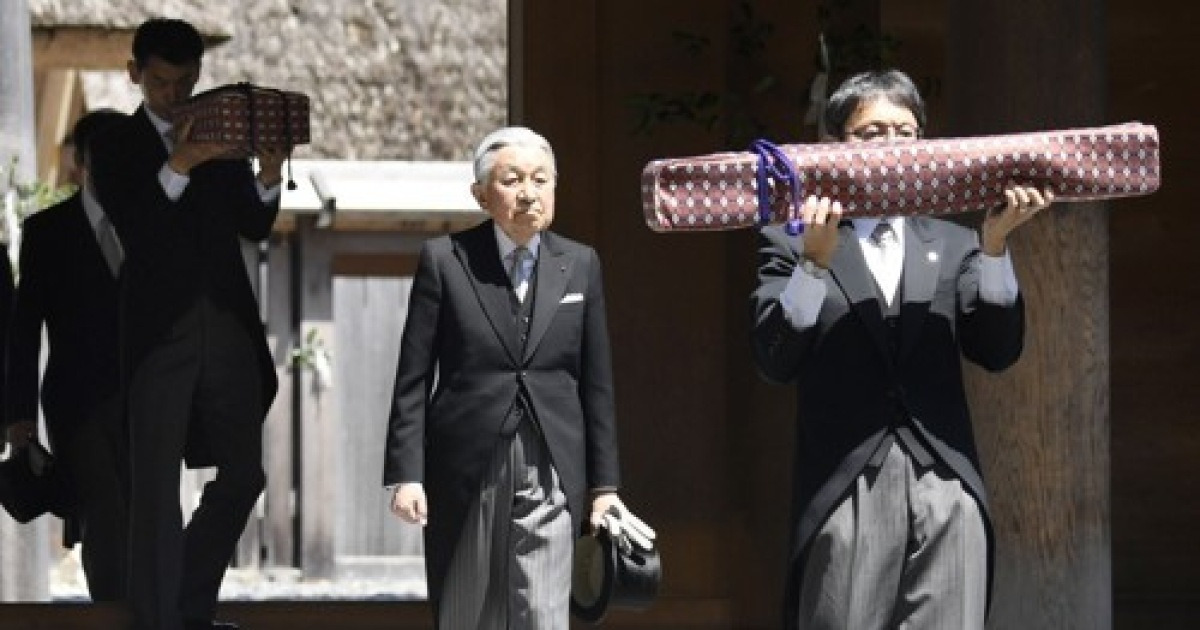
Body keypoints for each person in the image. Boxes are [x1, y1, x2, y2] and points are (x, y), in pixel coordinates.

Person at [750, 69, 1053, 630]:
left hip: (945, 480)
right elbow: (776, 359)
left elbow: (997, 349)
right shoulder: (789, 240)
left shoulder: (957, 242)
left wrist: (993, 246)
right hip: (846, 482)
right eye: (871, 133)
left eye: (906, 132)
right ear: (833, 146)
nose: (892, 146)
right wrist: (814, 263)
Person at [383, 126, 624, 629]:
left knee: (543, 611)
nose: (528, 193)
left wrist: (605, 487)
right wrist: (407, 474)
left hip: (552, 460)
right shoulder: (445, 260)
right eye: (512, 180)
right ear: (481, 194)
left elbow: (596, 384)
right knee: (470, 609)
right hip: (467, 461)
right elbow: (413, 377)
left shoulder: (580, 264)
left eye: (541, 180)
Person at [89, 18, 285, 630]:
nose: (174, 95)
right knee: (153, 483)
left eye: (185, 81)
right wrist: (180, 161)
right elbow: (137, 229)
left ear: (200, 76)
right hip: (157, 338)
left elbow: (252, 225)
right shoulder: (116, 143)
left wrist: (270, 171)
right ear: (135, 75)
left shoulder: (220, 136)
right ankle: (158, 619)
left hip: (228, 330)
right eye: (161, 82)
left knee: (244, 474)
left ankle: (186, 605)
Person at [4, 108, 129, 602]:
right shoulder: (47, 232)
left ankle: (145, 608)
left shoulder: (151, 227)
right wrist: (19, 417)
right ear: (81, 163)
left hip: (147, 396)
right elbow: (23, 331)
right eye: (106, 158)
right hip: (77, 406)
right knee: (104, 509)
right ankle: (117, 613)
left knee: (147, 509)